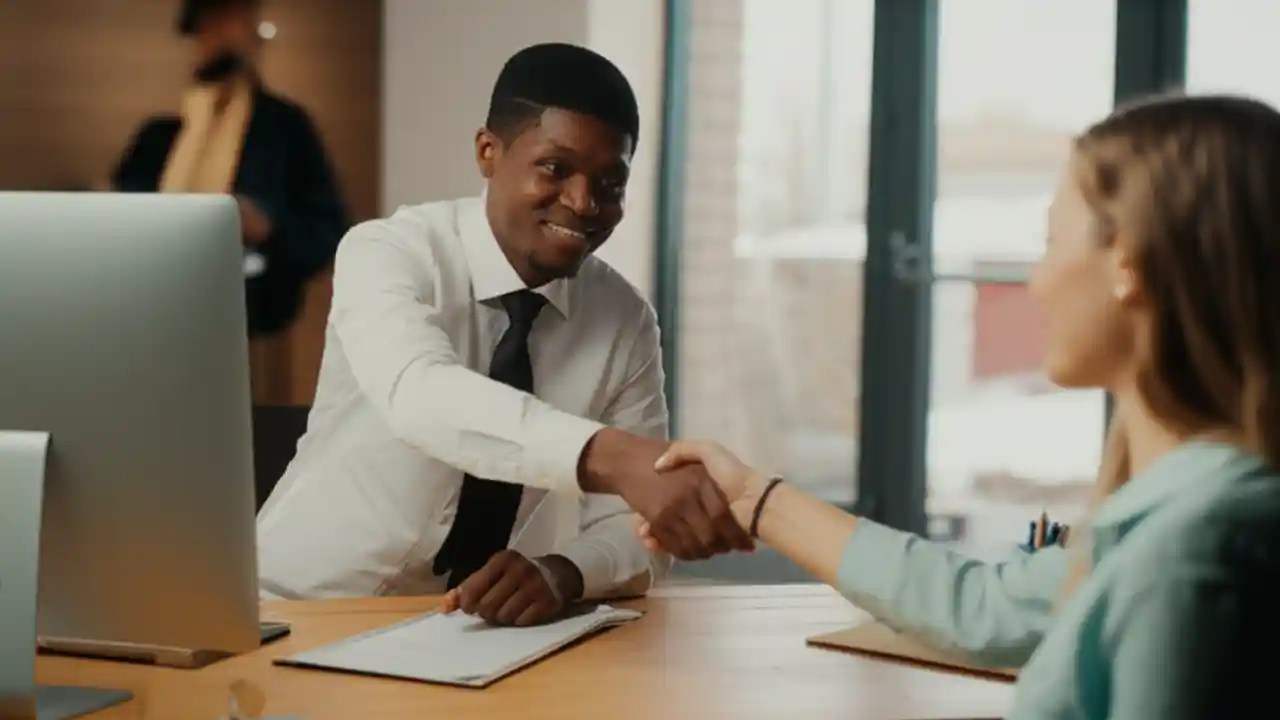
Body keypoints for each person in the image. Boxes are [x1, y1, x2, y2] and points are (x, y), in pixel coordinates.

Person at [642, 94, 1280, 718]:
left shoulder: (1190, 556)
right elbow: (983, 607)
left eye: (1052, 240)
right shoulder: (1192, 513)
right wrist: (752, 497)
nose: (1036, 282)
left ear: (1127, 263)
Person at [256, 43, 751, 625]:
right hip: (289, 613)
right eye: (555, 168)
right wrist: (616, 458)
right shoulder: (387, 251)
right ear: (488, 152)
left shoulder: (623, 318)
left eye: (610, 182)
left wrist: (560, 572)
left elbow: (632, 529)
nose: (583, 202)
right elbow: (420, 396)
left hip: (462, 633)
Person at [112, 0, 349, 404]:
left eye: (240, 23)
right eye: (217, 24)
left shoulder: (285, 128)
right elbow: (116, 220)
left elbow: (329, 229)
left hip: (251, 322)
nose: (229, 35)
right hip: (153, 317)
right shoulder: (160, 133)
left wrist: (267, 226)